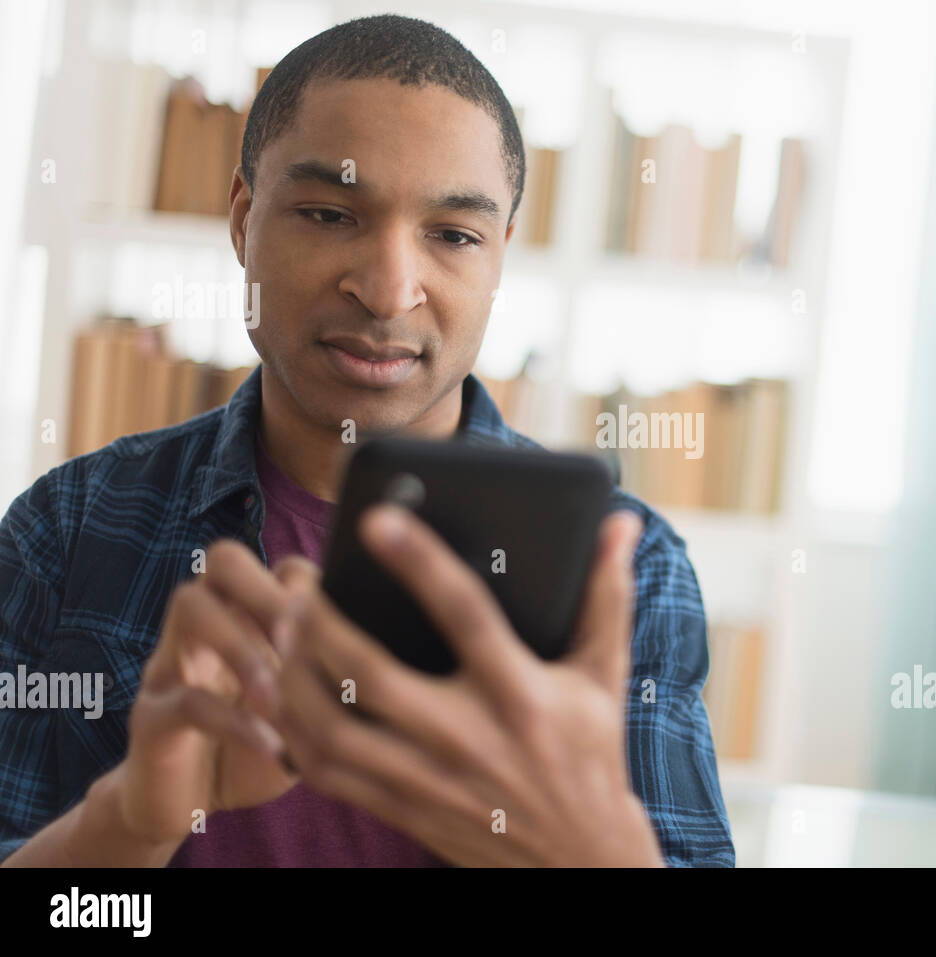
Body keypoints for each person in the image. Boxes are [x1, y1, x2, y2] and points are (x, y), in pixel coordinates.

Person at [0, 13, 734, 867]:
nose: (388, 291)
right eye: (327, 213)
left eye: (454, 235)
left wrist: (592, 849)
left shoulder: (625, 567)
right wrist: (128, 820)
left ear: (499, 258)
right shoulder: (67, 530)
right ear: (243, 220)